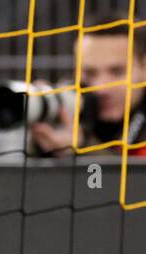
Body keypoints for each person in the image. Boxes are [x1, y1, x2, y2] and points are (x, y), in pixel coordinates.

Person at [30, 12, 146, 156]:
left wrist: (83, 149)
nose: (101, 87)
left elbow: (134, 177)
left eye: (117, 72)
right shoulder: (69, 104)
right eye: (89, 73)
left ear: (144, 67)